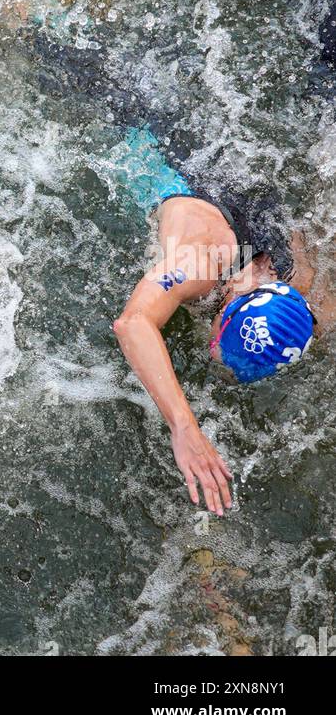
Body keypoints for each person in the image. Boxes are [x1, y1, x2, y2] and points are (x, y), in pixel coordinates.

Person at [112, 161, 324, 517]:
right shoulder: (200, 261)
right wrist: (184, 426)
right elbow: (132, 323)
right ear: (224, 316)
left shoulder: (301, 288)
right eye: (216, 347)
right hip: (155, 152)